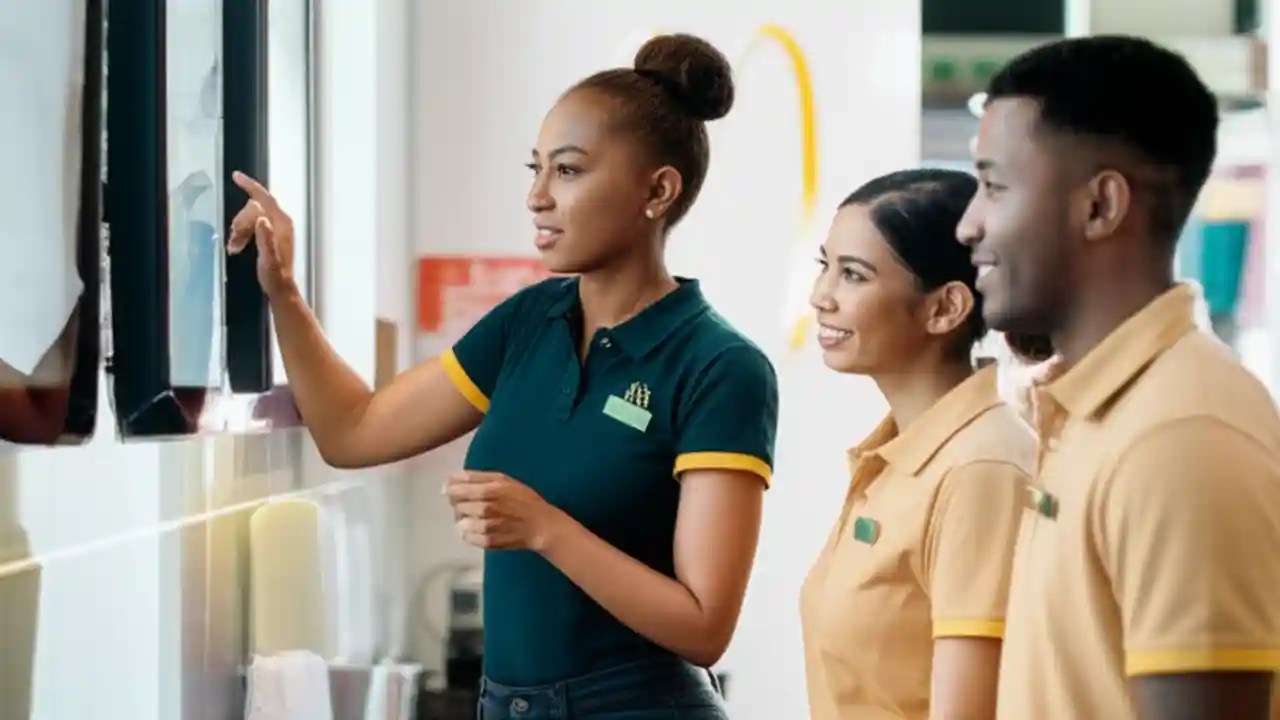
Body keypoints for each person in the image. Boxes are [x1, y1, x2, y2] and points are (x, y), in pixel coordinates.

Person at [227, 33, 777, 720]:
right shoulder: (528, 322)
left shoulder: (720, 367)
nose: (538, 197)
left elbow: (704, 627)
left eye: (569, 171)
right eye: (535, 168)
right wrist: (284, 291)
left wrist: (545, 528)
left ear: (658, 191)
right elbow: (353, 432)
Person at [957, 35, 1280, 720]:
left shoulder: (1180, 435)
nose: (968, 224)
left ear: (1101, 206)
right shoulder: (1090, 412)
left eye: (993, 186)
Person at [800, 168, 1037, 719]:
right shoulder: (898, 455)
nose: (821, 297)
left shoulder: (981, 468)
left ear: (945, 308)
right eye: (824, 267)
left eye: (853, 275)